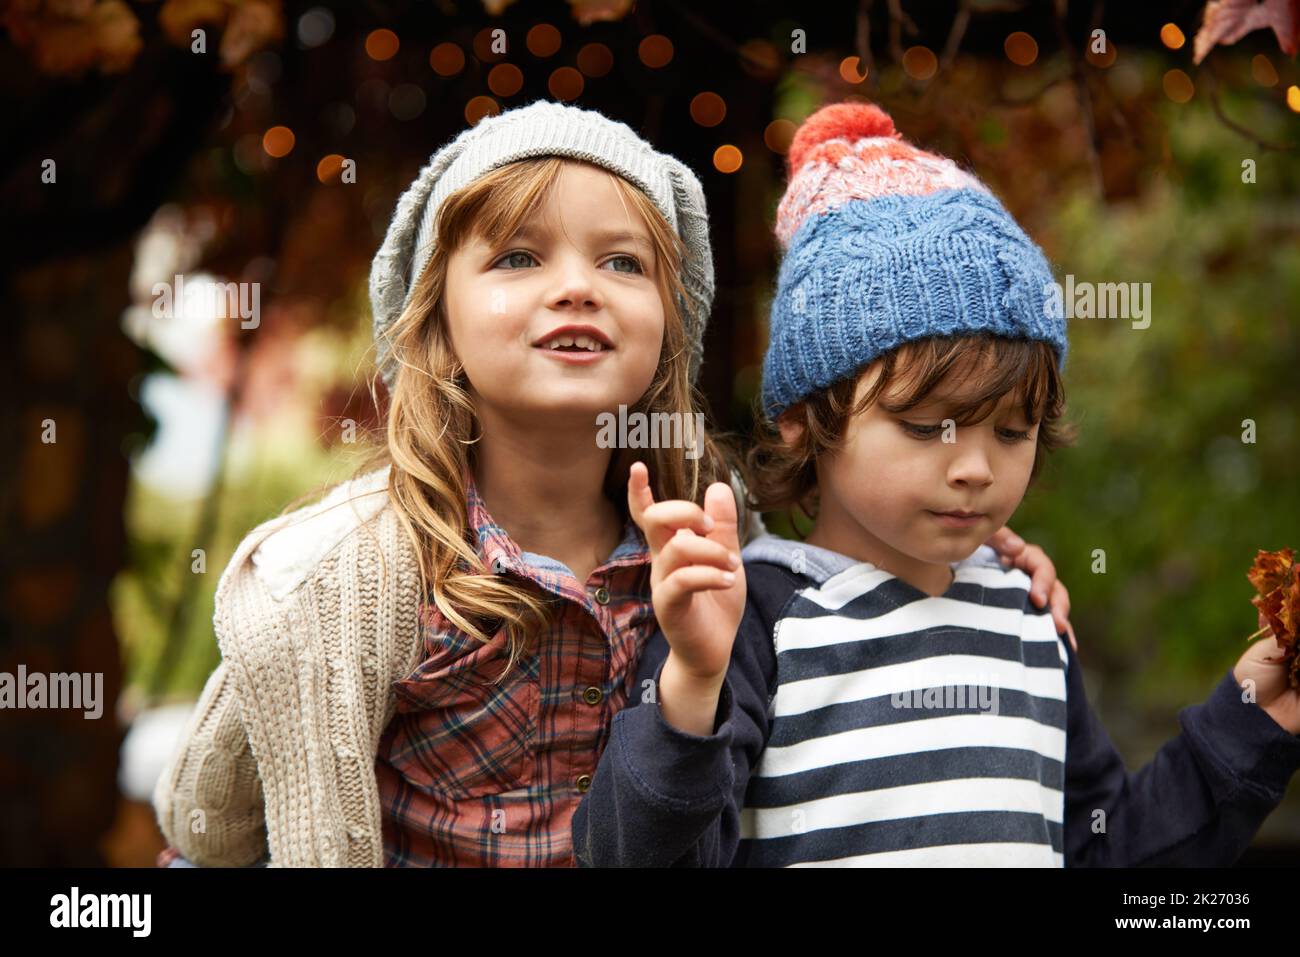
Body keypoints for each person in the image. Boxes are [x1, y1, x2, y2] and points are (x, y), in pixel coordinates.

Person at [153, 99, 1069, 867]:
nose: (578, 288)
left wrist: (977, 552)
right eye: (518, 256)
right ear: (433, 324)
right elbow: (213, 814)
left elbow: (847, 546)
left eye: (622, 262)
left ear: (671, 327)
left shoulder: (709, 532)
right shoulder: (344, 577)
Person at [571, 101, 1300, 868]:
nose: (976, 466)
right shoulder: (747, 619)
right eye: (927, 426)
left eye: (1012, 431)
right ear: (800, 418)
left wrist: (1252, 719)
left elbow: (1109, 851)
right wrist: (689, 686)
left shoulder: (1028, 617)